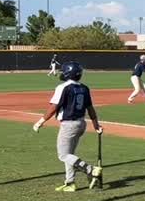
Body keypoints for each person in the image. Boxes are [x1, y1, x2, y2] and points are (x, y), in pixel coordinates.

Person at [32, 61, 103, 192]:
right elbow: (90, 108)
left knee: (63, 155)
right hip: (81, 123)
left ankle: (90, 170)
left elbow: (54, 106)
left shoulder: (63, 87)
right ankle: (70, 182)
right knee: (70, 155)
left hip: (69, 125)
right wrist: (96, 124)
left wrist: (40, 121)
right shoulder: (84, 88)